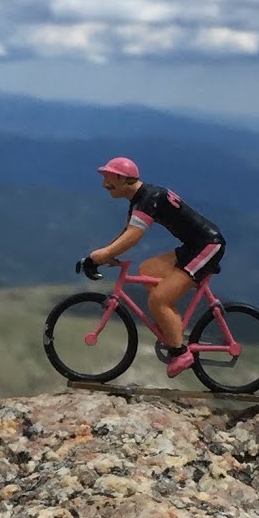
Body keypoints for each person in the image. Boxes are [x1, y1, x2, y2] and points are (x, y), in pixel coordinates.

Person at [77, 156, 225, 378]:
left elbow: (134, 237)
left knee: (158, 300)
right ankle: (171, 323)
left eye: (108, 179)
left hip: (207, 247)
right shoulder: (140, 199)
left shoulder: (147, 199)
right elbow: (126, 233)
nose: (104, 185)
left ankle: (181, 352)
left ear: (122, 178)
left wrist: (103, 254)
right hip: (195, 246)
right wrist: (103, 255)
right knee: (147, 270)